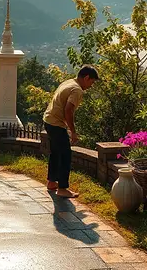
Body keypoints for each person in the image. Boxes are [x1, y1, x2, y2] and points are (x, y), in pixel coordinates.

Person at [43, 65, 98, 198]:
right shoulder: (77, 90)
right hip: (56, 124)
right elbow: (68, 110)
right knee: (65, 155)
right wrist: (73, 131)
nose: (91, 86)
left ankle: (52, 182)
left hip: (48, 120)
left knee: (56, 153)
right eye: (91, 82)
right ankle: (62, 188)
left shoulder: (69, 82)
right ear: (86, 78)